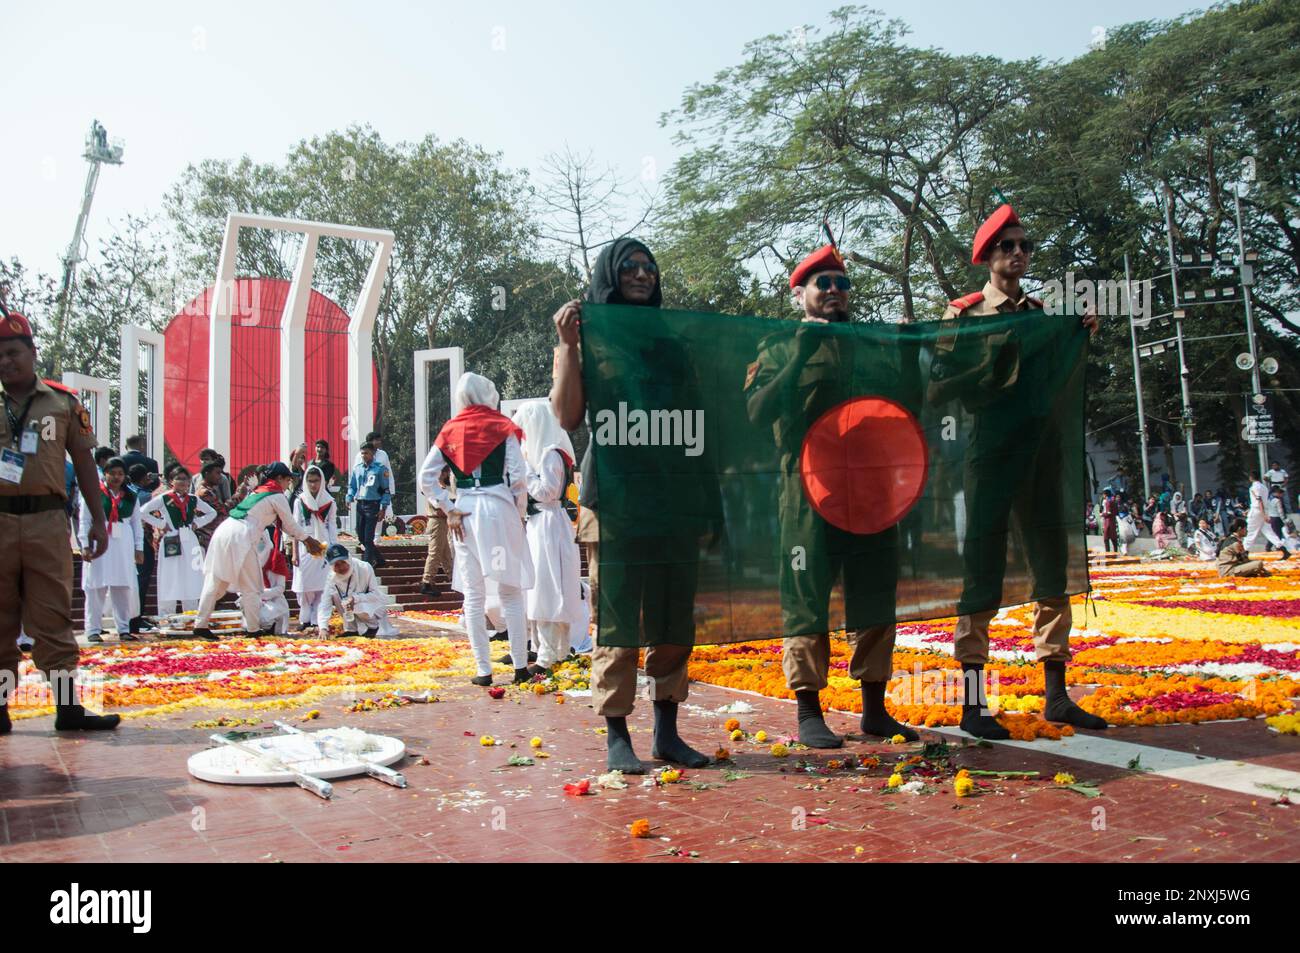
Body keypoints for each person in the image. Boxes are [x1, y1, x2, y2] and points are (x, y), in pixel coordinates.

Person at [940, 203, 1105, 738]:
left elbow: (1058, 379)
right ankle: (973, 704)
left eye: (1025, 246)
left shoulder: (1044, 316)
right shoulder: (963, 315)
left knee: (1052, 571)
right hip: (989, 454)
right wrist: (991, 372)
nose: (1018, 253)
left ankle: (1056, 697)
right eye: (1007, 246)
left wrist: (1080, 333)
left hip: (1041, 456)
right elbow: (939, 385)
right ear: (987, 257)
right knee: (980, 574)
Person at [550, 238, 715, 772]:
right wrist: (568, 347)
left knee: (673, 621)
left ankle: (667, 733)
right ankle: (617, 736)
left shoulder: (673, 342)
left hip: (674, 498)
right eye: (630, 267)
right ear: (609, 275)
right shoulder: (586, 336)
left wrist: (709, 500)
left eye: (649, 267)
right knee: (618, 621)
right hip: (615, 501)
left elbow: (697, 423)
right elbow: (568, 416)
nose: (643, 274)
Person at [746, 242, 915, 748]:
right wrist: (800, 354)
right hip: (808, 496)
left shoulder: (871, 344)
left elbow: (907, 407)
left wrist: (909, 354)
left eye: (843, 283)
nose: (836, 290)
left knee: (876, 599)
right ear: (799, 294)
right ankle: (808, 712)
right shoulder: (777, 346)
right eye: (824, 283)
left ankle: (874, 711)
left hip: (872, 493)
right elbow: (756, 412)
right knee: (806, 598)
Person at [0, 307, 119, 732]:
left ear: (33, 353)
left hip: (48, 522)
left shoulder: (62, 402)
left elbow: (85, 463)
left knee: (52, 618)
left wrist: (98, 519)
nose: (6, 361)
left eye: (13, 352)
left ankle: (68, 709)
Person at [420, 373, 534, 686]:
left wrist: (448, 507)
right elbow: (519, 478)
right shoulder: (502, 426)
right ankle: (520, 667)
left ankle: (484, 670)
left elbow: (426, 478)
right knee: (510, 591)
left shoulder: (450, 429)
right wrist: (518, 514)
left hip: (465, 514)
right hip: (498, 511)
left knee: (473, 594)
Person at [192, 462, 326, 640]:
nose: (289, 484)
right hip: (242, 536)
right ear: (279, 478)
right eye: (287, 480)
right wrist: (308, 540)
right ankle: (253, 629)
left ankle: (201, 625)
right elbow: (290, 524)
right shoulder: (276, 495)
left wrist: (305, 540)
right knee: (252, 586)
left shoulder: (258, 492)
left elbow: (284, 526)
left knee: (216, 581)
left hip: (224, 531)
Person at [513, 400, 585, 675]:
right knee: (543, 589)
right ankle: (553, 650)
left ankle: (549, 654)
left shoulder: (549, 454)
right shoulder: (547, 453)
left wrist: (525, 473)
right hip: (542, 524)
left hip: (548, 524)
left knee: (547, 589)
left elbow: (547, 492)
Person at [79, 457, 143, 643]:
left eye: (120, 474)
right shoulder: (93, 494)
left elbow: (136, 523)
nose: (116, 477)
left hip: (123, 543)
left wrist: (139, 548)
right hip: (100, 541)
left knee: (122, 587)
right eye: (112, 473)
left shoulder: (131, 496)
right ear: (105, 474)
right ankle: (93, 629)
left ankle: (123, 628)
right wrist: (85, 545)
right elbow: (84, 520)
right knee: (96, 587)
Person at [139, 465, 217, 617]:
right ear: (171, 481)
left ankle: (192, 614)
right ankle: (167, 616)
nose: (182, 482)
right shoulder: (164, 498)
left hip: (190, 539)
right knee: (170, 576)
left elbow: (211, 512)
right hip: (172, 538)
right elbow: (143, 512)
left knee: (191, 576)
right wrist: (161, 524)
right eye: (178, 478)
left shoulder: (193, 499)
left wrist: (197, 523)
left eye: (185, 479)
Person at [291, 465, 337, 633]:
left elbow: (332, 526)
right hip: (305, 546)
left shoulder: (329, 502)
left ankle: (317, 620)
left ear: (322, 481)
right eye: (310, 481)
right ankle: (304, 619)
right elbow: (294, 527)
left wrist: (333, 549)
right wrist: (294, 553)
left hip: (323, 546)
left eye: (316, 481)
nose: (313, 485)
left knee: (321, 587)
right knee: (304, 586)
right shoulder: (299, 501)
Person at [317, 543, 394, 637]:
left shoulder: (364, 567)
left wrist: (355, 598)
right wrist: (323, 628)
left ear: (348, 559)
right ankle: (351, 629)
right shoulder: (331, 577)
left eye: (343, 562)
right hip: (350, 612)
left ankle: (373, 627)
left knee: (358, 605)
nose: (341, 567)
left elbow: (375, 595)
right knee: (335, 595)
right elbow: (324, 603)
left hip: (372, 608)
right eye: (336, 564)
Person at [126, 463, 160, 634]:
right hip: (143, 541)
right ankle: (136, 617)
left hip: (128, 540)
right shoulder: (146, 496)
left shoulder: (128, 492)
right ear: (142, 478)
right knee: (142, 579)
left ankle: (132, 617)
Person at [347, 442, 391, 567]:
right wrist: (349, 497)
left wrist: (383, 508)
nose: (364, 456)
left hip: (373, 504)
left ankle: (367, 565)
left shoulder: (380, 469)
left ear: (372, 454)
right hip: (360, 504)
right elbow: (352, 485)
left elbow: (385, 490)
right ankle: (380, 560)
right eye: (362, 453)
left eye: (366, 453)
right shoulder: (358, 468)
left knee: (368, 537)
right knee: (361, 536)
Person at [242, 525, 291, 635]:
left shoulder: (276, 558)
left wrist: (260, 594)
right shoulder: (248, 559)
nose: (259, 543)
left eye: (262, 539)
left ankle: (270, 627)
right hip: (255, 600)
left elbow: (280, 588)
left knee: (266, 616)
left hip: (275, 601)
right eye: (256, 540)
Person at [420, 464, 454, 598]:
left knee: (445, 553)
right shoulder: (435, 489)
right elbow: (440, 510)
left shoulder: (438, 488)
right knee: (435, 552)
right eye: (447, 473)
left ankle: (453, 577)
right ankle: (427, 581)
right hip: (437, 521)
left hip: (441, 522)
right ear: (444, 474)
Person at [1244, 470, 1285, 555]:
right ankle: (1282, 548)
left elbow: (1259, 501)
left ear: (1251, 478)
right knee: (1268, 532)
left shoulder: (1255, 487)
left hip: (1257, 511)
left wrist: (1263, 514)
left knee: (1251, 531)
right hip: (1261, 510)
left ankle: (1245, 551)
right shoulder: (1264, 487)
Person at [1101, 489, 1119, 554]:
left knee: (1106, 538)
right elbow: (1116, 512)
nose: (1102, 496)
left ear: (1105, 495)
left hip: (1107, 521)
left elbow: (1108, 512)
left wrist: (1102, 514)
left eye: (1103, 494)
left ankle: (1107, 553)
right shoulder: (1114, 501)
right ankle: (1115, 552)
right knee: (1113, 537)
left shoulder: (1108, 501)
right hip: (1113, 521)